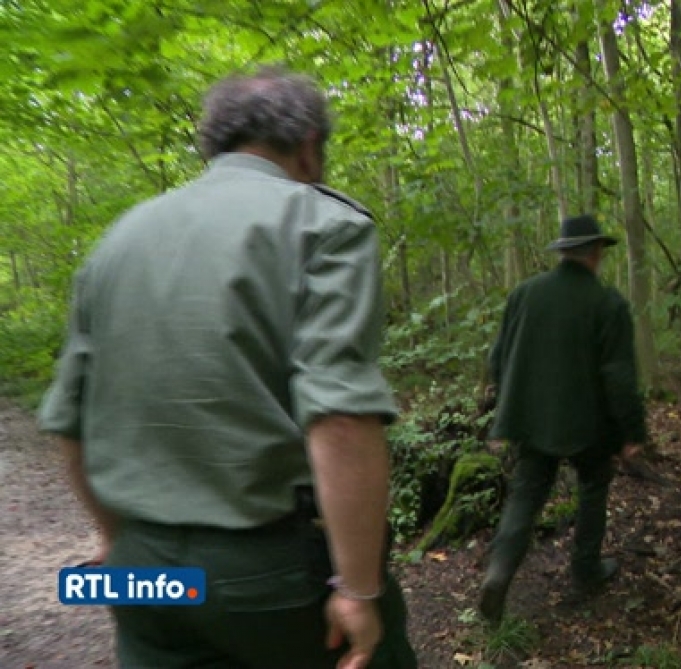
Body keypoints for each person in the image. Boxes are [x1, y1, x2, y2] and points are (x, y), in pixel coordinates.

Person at [37, 66, 418, 669]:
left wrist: (116, 542)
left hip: (138, 568)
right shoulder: (324, 224)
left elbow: (70, 420)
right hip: (267, 574)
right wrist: (357, 589)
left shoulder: (119, 238)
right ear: (311, 146)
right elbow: (340, 419)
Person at [480, 213, 648, 625]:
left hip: (530, 421)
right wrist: (631, 432)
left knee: (526, 495)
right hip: (588, 426)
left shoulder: (524, 293)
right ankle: (585, 570)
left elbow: (497, 358)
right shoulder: (608, 303)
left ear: (563, 252)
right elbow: (618, 377)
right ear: (595, 253)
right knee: (593, 486)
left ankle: (499, 571)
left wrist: (507, 407)